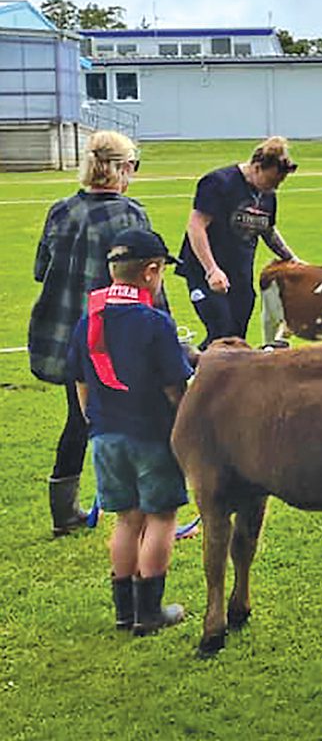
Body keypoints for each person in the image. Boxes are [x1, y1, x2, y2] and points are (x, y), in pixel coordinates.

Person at [66, 228, 192, 635]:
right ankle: (150, 613)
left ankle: (124, 613)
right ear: (151, 272)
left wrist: (94, 421)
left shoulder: (89, 319)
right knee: (160, 518)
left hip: (105, 436)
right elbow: (175, 386)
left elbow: (80, 380)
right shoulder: (156, 323)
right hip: (152, 435)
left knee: (126, 520)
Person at [29, 130, 155, 537]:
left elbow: (39, 271)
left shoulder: (60, 210)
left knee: (78, 420)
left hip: (61, 335)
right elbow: (146, 286)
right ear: (120, 168)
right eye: (131, 166)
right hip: (107, 341)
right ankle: (136, 505)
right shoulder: (129, 216)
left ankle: (65, 513)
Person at [178, 137, 300, 348]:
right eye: (271, 181)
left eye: (278, 183)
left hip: (240, 274)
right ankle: (192, 368)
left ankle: (214, 373)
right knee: (221, 332)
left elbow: (267, 230)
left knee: (237, 337)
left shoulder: (268, 195)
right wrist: (211, 270)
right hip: (205, 272)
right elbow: (196, 226)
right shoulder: (218, 183)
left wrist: (292, 259)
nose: (274, 188)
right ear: (256, 167)